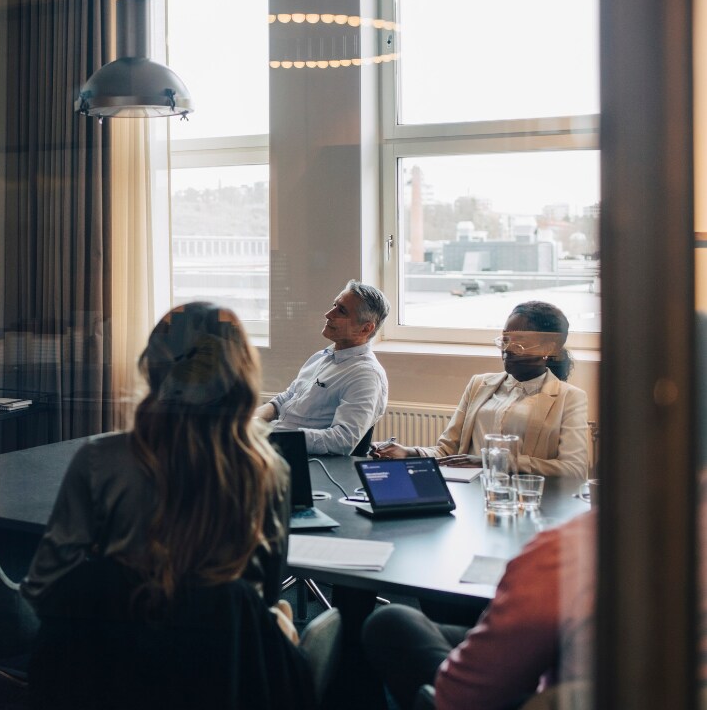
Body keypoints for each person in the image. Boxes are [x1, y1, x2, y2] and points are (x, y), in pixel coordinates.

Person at [22, 302, 316, 708]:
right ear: (240, 375)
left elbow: (44, 588)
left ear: (155, 369)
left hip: (107, 678)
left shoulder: (99, 460)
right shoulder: (270, 471)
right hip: (222, 679)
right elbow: (260, 598)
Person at [361, 511, 596, 710]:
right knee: (411, 623)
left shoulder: (565, 552)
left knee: (388, 624)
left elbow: (460, 698)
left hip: (548, 698)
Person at [371, 301, 589, 477]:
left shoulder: (569, 398)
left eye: (519, 343)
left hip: (523, 495)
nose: (507, 350)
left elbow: (574, 468)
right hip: (468, 491)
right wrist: (407, 452)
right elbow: (447, 452)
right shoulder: (479, 385)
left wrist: (493, 462)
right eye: (505, 340)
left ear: (549, 348)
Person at [255, 280, 390, 456]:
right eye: (334, 305)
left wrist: (274, 438)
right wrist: (250, 422)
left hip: (297, 456)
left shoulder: (365, 375)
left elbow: (342, 441)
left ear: (366, 328)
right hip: (273, 445)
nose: (328, 314)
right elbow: (285, 399)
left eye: (341, 311)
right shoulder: (321, 357)